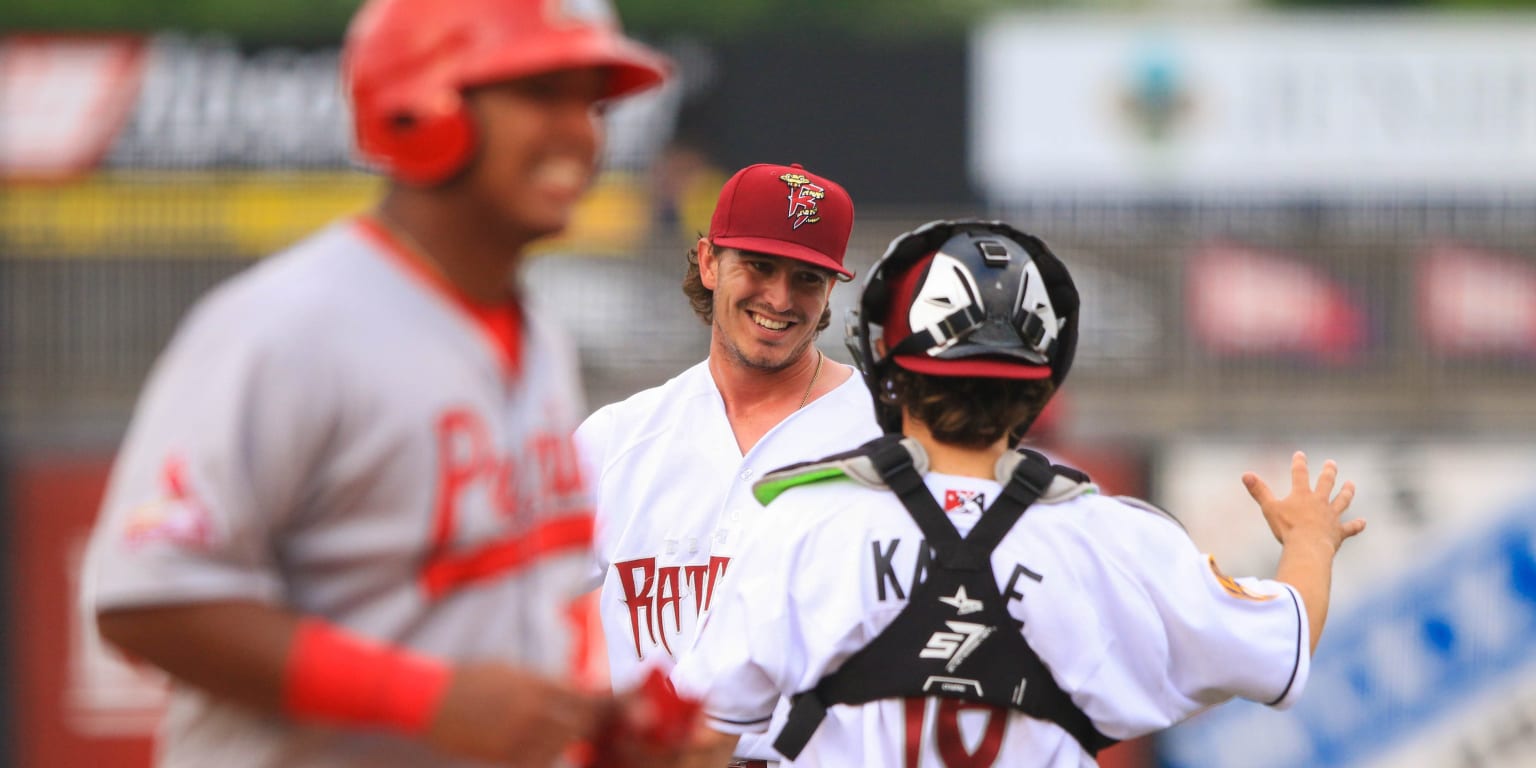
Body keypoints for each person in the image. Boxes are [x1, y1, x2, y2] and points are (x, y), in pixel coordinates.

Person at [78, 0, 688, 766]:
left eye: (591, 101)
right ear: (420, 108)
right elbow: (150, 600)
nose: (581, 131)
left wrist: (590, 726)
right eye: (541, 94)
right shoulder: (288, 325)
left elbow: (511, 623)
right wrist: (423, 697)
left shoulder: (540, 341)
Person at [671, 219, 1366, 766]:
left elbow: (700, 739)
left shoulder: (804, 522)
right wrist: (1311, 538)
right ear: (1040, 381)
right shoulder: (1116, 538)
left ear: (890, 368)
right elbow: (1284, 639)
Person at [574, 161, 883, 763]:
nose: (779, 298)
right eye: (760, 267)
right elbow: (517, 614)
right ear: (711, 262)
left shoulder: (887, 438)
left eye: (808, 278)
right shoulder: (617, 440)